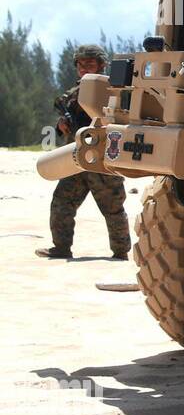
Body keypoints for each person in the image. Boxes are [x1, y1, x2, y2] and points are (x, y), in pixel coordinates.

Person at [35, 44, 131, 261]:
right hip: (77, 158)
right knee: (62, 202)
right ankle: (61, 247)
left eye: (90, 64)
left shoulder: (113, 90)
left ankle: (120, 252)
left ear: (101, 65)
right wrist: (63, 125)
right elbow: (67, 122)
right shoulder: (73, 95)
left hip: (103, 158)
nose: (85, 68)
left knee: (113, 207)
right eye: (81, 64)